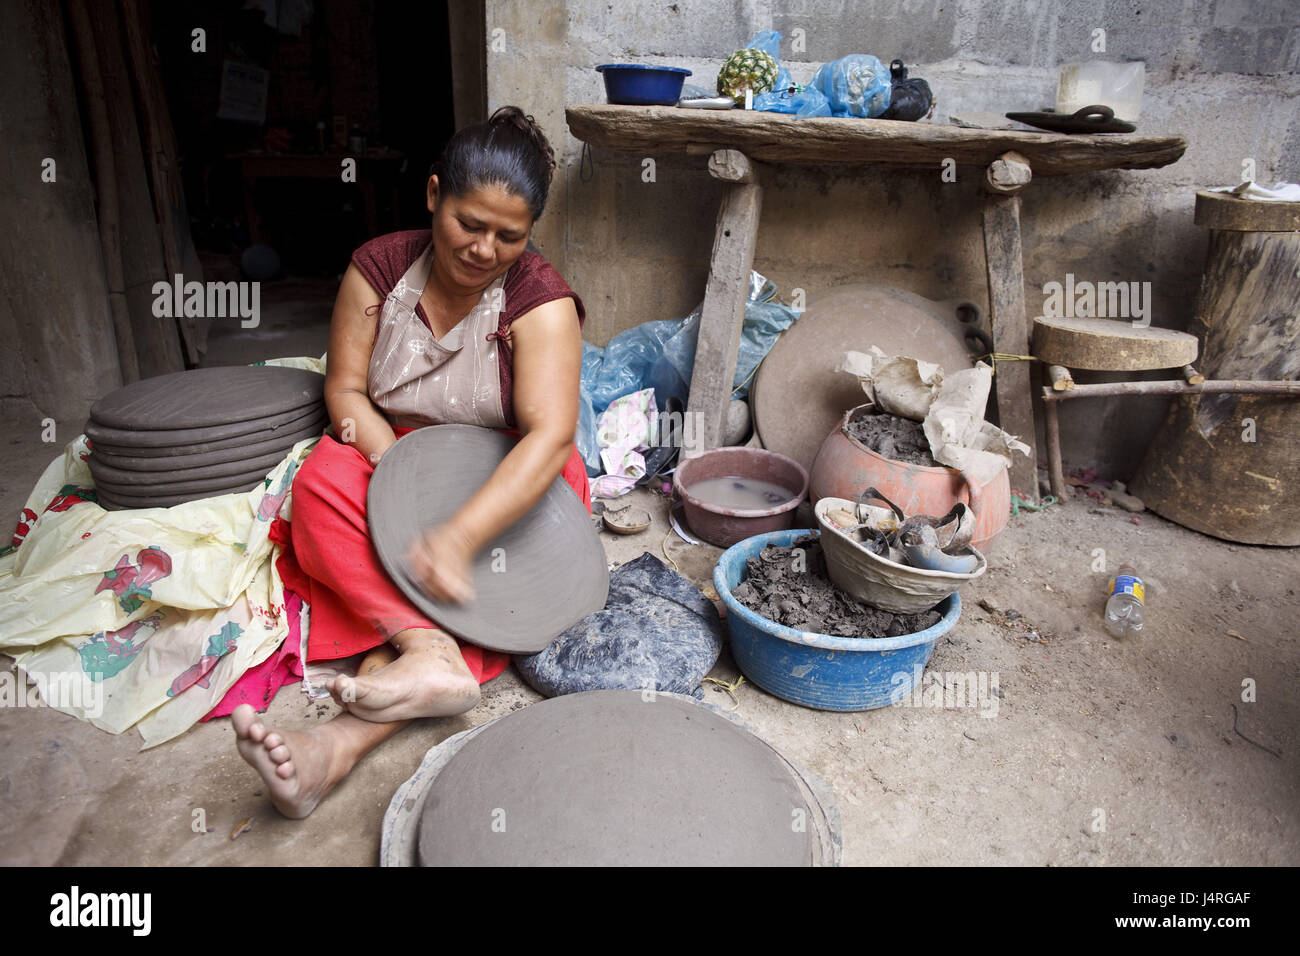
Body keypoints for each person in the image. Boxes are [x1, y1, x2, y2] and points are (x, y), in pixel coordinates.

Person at [232, 107, 589, 818]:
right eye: (468, 223)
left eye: (508, 236)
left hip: (504, 474)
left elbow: (548, 438)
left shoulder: (538, 301)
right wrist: (398, 474)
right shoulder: (379, 269)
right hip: (393, 448)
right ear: (433, 195)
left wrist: (456, 536)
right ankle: (427, 650)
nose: (485, 249)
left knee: (527, 559)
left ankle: (332, 747)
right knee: (322, 481)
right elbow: (346, 391)